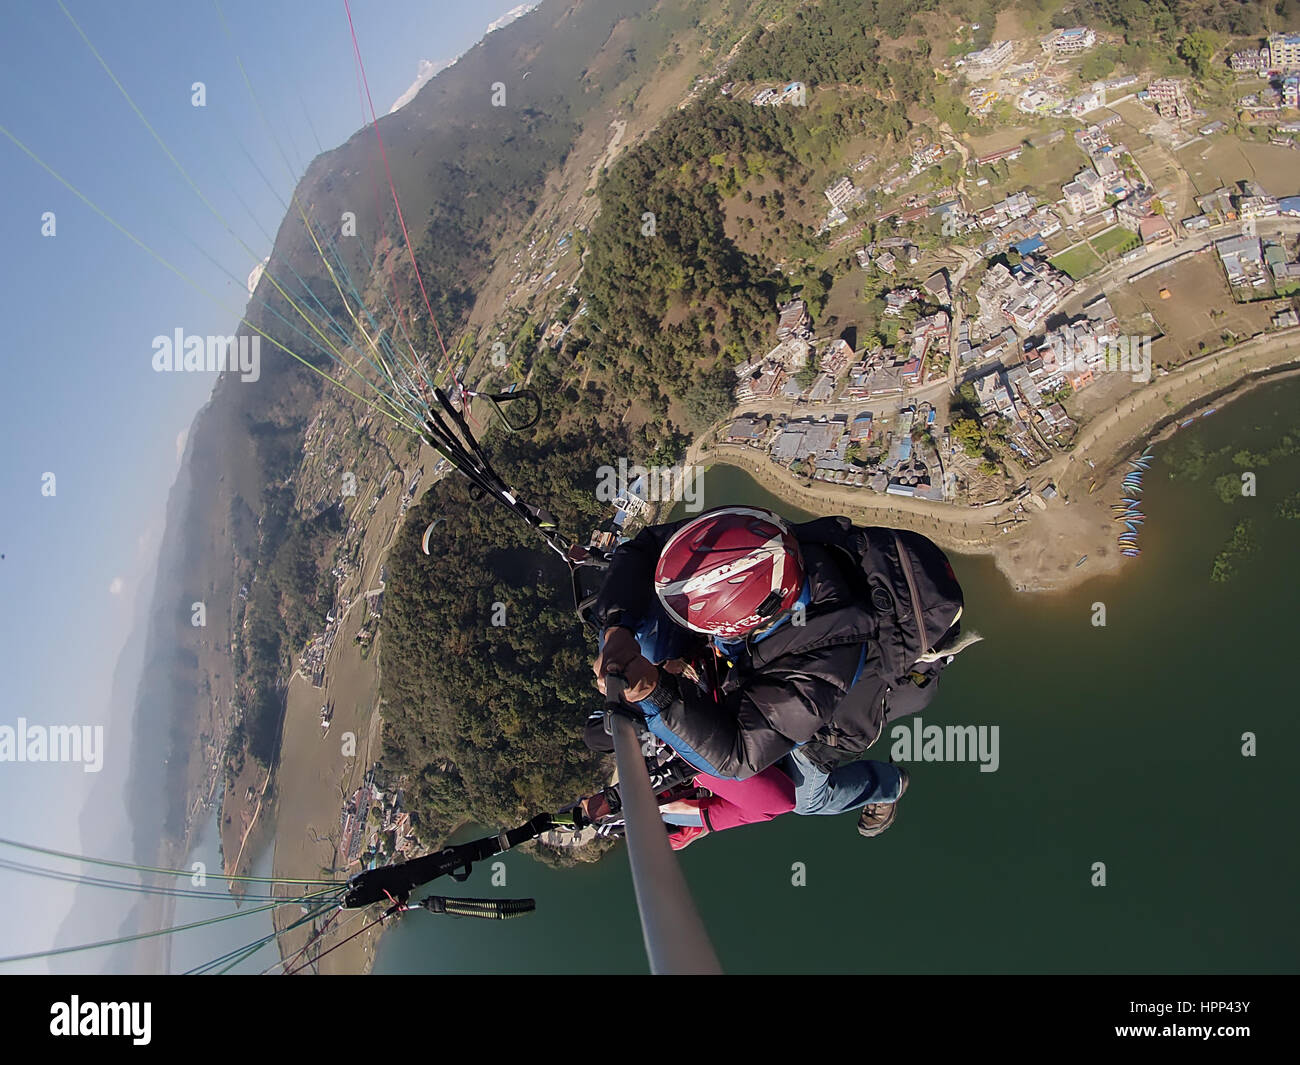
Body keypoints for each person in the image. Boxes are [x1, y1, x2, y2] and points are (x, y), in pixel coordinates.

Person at [587, 505, 973, 838]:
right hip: (809, 628)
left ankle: (888, 785)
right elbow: (651, 547)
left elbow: (739, 755)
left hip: (830, 724)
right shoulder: (750, 541)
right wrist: (617, 625)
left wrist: (656, 693)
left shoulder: (824, 661)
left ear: (750, 623)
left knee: (809, 799)